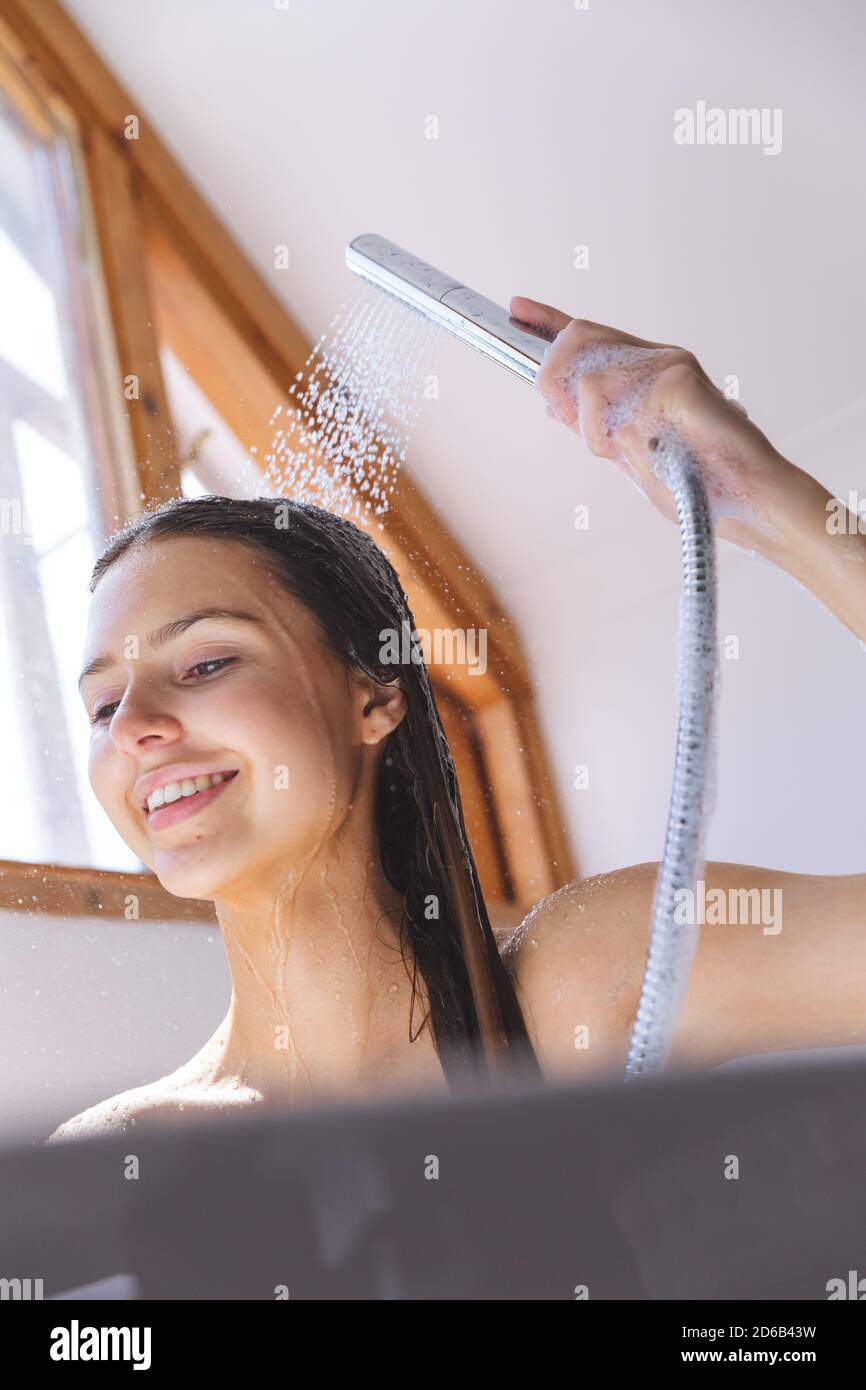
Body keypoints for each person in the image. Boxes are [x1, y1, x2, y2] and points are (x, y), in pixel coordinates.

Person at [47, 302, 866, 1143]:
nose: (134, 726)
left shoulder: (584, 987)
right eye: (103, 704)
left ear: (373, 699)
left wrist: (777, 506)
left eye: (207, 664)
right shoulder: (124, 1150)